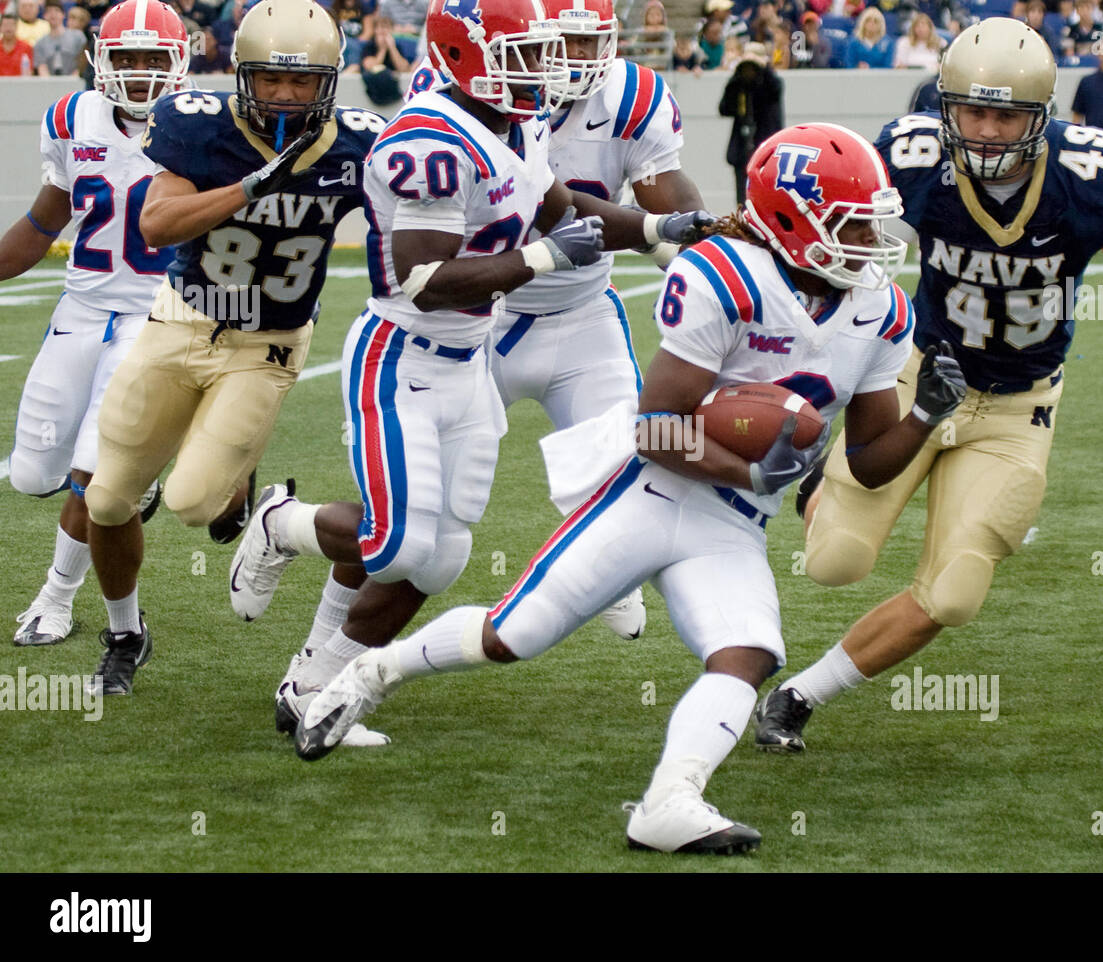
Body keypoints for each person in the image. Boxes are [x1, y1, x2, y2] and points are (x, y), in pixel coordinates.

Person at [293, 122, 971, 857]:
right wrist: (748, 468)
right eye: (849, 223)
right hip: (647, 495)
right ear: (788, 218)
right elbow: (653, 430)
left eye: (871, 221)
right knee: (511, 637)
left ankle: (669, 801)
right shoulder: (724, 276)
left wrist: (927, 417)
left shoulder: (882, 310)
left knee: (748, 652)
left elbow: (870, 461)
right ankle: (374, 668)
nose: (870, 240)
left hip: (733, 522)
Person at [228, 0, 712, 743]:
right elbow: (424, 277)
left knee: (441, 558)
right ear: (464, 57)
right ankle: (282, 524)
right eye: (521, 54)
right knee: (397, 545)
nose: (540, 70)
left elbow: (557, 207)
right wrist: (545, 260)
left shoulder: (517, 122)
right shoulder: (427, 138)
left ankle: (316, 686)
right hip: (401, 358)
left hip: (466, 365)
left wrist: (652, 228)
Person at [752, 17, 1103, 754]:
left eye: (1006, 114)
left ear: (1041, 116)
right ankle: (820, 487)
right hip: (921, 377)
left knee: (956, 592)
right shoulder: (913, 160)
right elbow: (834, 257)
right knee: (834, 562)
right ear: (946, 105)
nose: (987, 130)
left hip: (1018, 406)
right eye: (972, 110)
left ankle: (801, 693)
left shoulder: (1088, 176)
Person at [79, 0, 385, 696]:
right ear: (241, 75)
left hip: (268, 343)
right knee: (106, 501)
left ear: (329, 82)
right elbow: (156, 225)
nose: (283, 94)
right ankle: (126, 633)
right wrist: (247, 188)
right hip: (181, 321)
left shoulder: (356, 144)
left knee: (190, 502)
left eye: (301, 81)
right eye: (269, 79)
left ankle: (260, 502)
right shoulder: (199, 125)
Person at [2, 0, 185, 650]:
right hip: (78, 314)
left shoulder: (203, 126)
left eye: (153, 58)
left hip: (156, 318)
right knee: (30, 475)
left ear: (180, 61)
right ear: (100, 62)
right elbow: (43, 224)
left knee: (94, 478)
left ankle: (56, 597)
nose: (140, 71)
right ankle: (143, 473)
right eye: (127, 58)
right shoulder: (71, 118)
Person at [719, 40, 783, 204]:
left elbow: (773, 91)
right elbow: (725, 108)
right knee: (742, 198)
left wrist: (763, 68)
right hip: (742, 148)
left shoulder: (770, 82)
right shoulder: (739, 84)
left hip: (765, 147)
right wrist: (738, 75)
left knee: (766, 195)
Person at [33, 1, 87, 76]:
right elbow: (42, 69)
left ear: (63, 14)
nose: (53, 14)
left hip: (76, 82)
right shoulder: (40, 44)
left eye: (56, 10)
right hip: (50, 85)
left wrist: (73, 80)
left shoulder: (78, 37)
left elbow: (82, 63)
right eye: (49, 11)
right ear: (44, 16)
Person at [0, 10, 35, 76]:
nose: (8, 28)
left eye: (11, 25)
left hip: (21, 84)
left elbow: (30, 72)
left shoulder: (26, 47)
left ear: (16, 27)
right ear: (0, 28)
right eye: (5, 25)